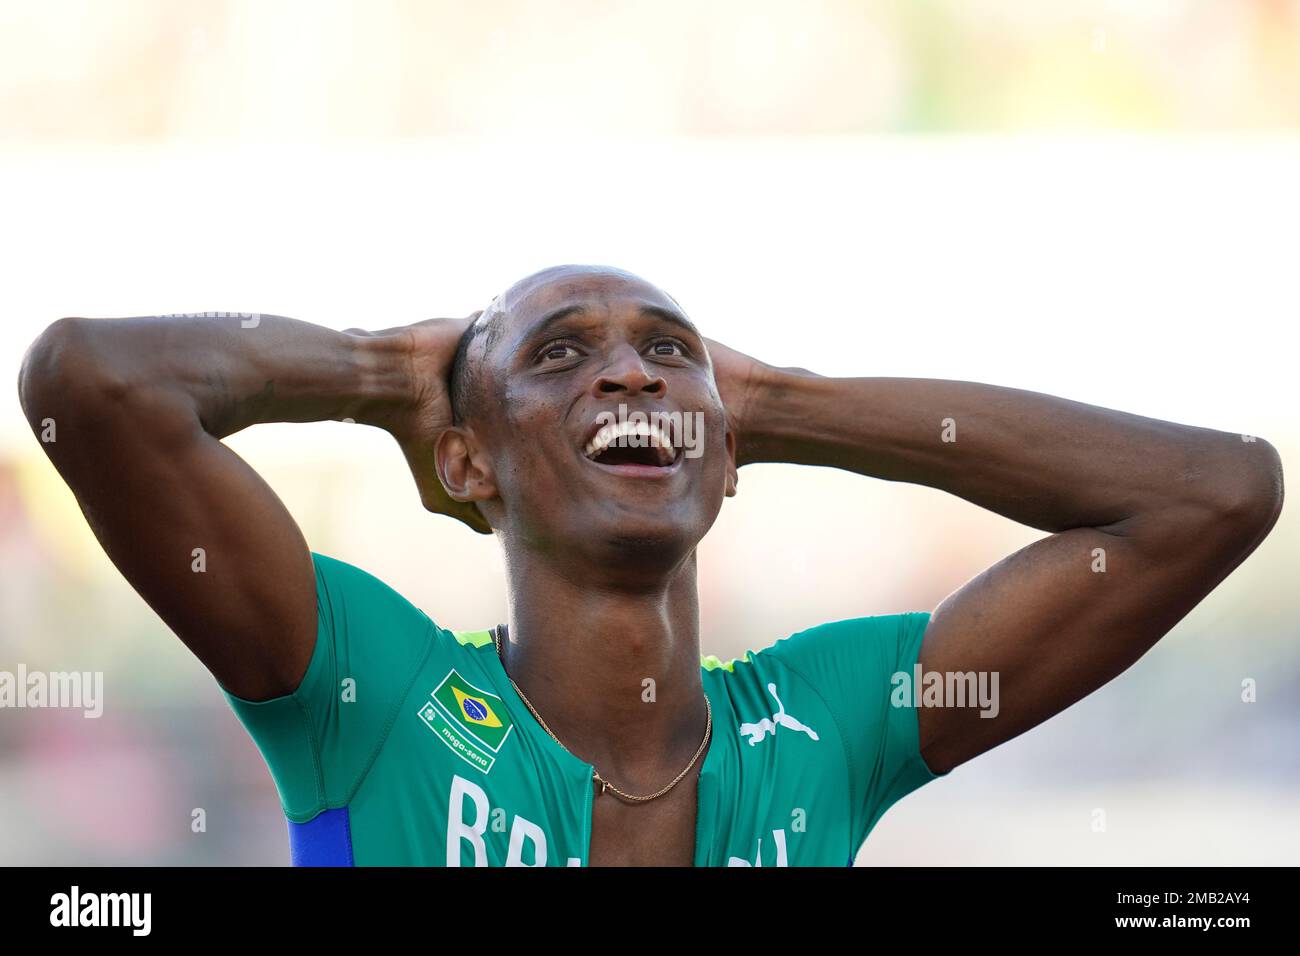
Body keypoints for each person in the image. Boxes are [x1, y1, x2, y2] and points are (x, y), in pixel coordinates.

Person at [18, 264, 1284, 866]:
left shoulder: (822, 724)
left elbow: (1213, 494)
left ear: (725, 450)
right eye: (559, 355)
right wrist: (379, 372)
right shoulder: (374, 695)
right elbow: (91, 383)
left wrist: (781, 402)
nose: (629, 372)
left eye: (671, 352)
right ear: (466, 462)